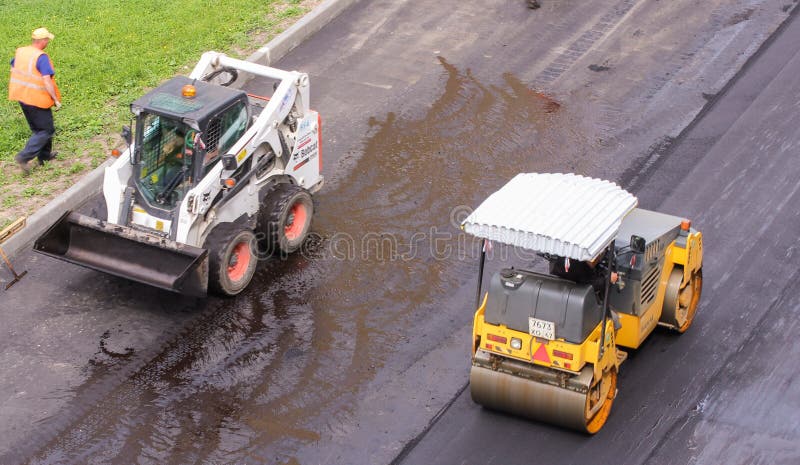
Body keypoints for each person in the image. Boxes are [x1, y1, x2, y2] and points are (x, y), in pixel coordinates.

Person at [8, 27, 62, 174]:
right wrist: (55, 99)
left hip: (22, 96)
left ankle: (44, 157)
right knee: (46, 130)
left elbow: (14, 64)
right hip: (36, 98)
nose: (48, 43)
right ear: (42, 41)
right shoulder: (41, 57)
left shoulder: (22, 52)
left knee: (39, 128)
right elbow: (46, 80)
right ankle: (24, 157)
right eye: (47, 40)